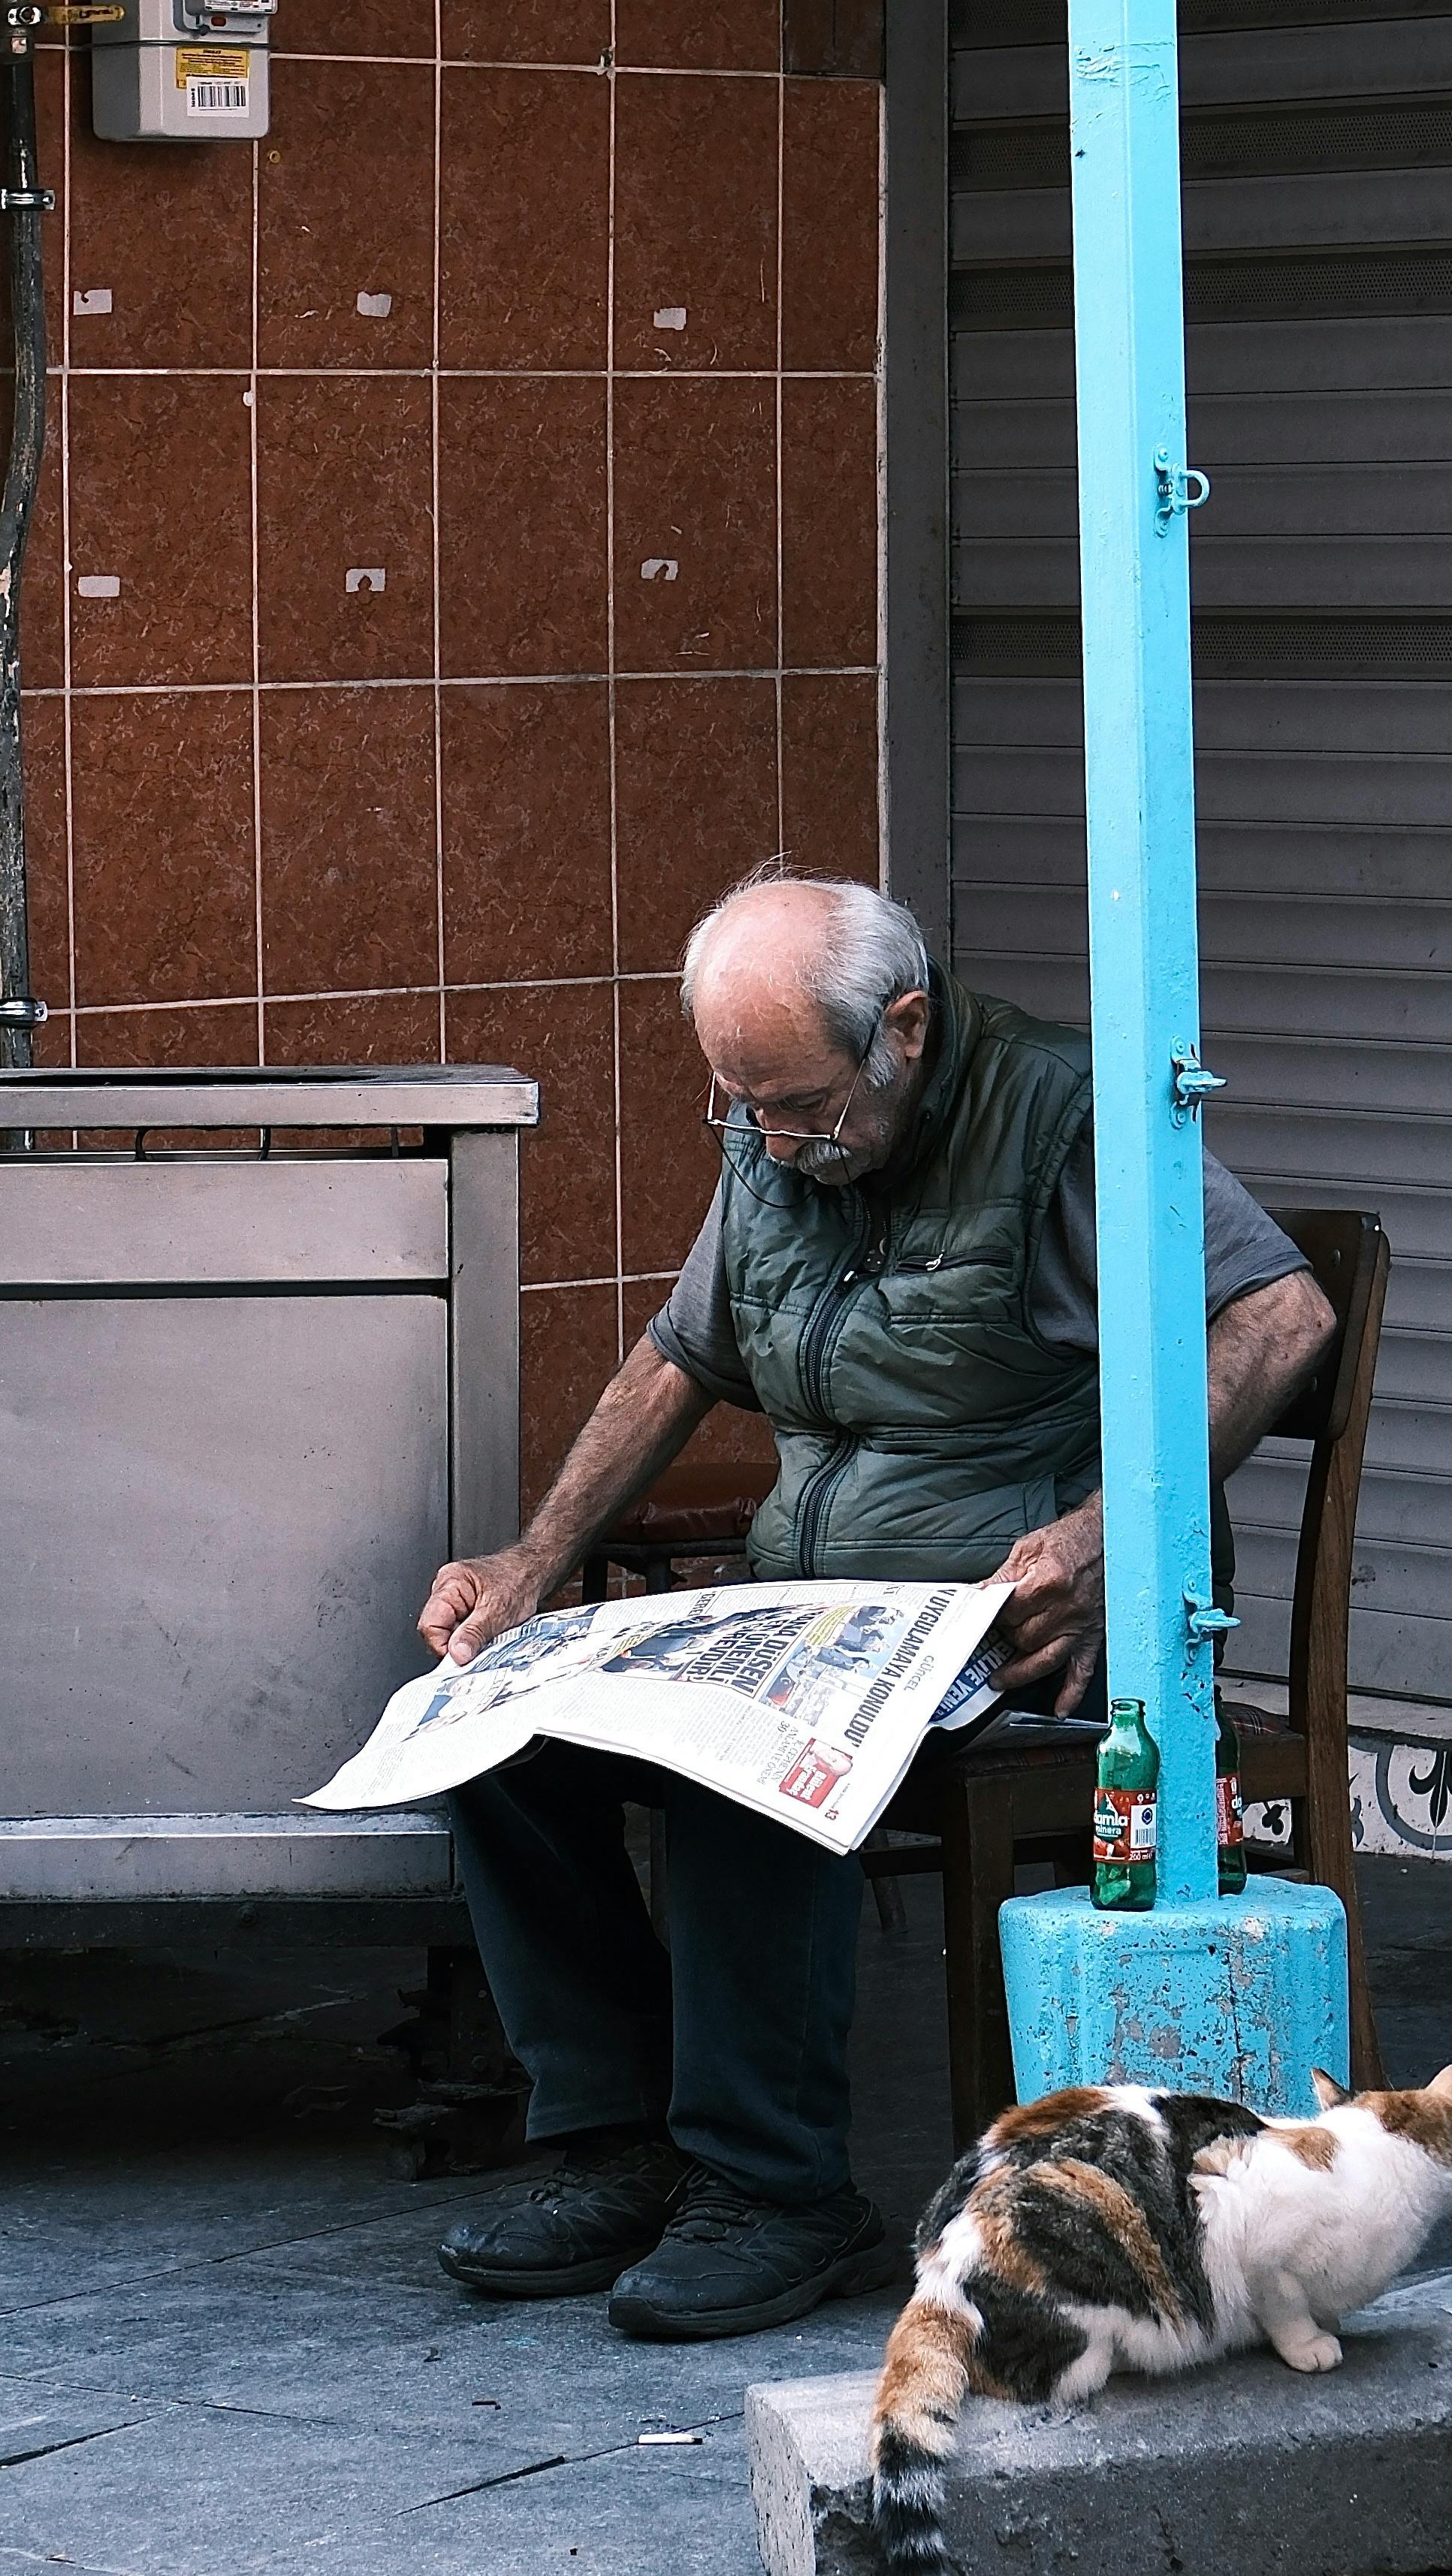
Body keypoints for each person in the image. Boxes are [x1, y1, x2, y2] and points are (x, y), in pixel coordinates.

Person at [418, 875, 1336, 2340]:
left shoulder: (1063, 1115)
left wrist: (1110, 1535)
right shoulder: (780, 1135)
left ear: (903, 1030)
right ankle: (625, 2146)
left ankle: (776, 2191)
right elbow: (676, 1357)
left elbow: (1281, 1317)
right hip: (813, 1602)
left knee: (736, 1754)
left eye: (792, 1104)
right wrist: (533, 1562)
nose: (768, 1139)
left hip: (1013, 1625)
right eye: (737, 1104)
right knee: (498, 1723)